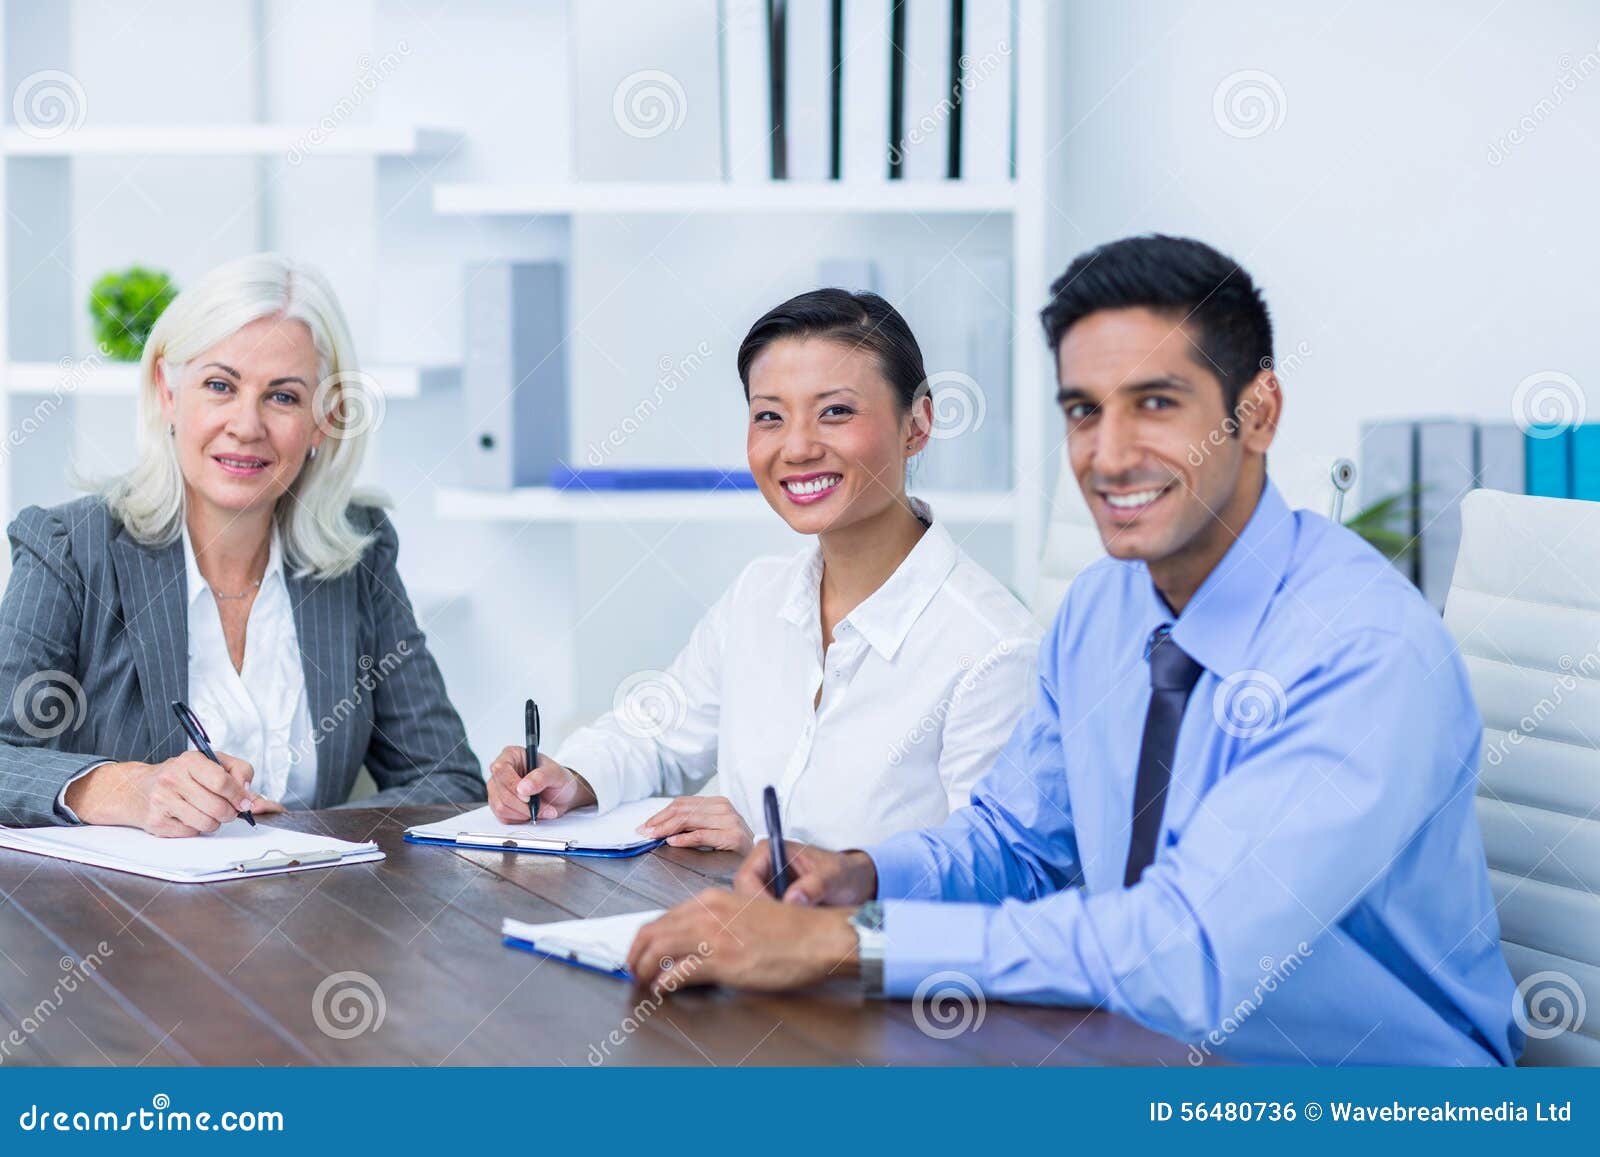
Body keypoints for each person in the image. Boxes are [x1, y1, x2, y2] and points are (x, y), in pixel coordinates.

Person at [621, 236, 1522, 1067]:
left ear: (1257, 412)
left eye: (1156, 403)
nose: (1110, 453)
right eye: (1085, 411)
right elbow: (1017, 841)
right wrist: (861, 873)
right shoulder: (1103, 608)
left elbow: (1192, 951)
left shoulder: (1364, 650)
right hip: (1135, 1054)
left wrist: (845, 942)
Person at [485, 289, 1038, 852]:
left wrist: (769, 853)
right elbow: (656, 738)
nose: (796, 448)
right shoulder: (760, 593)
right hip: (724, 909)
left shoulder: (993, 647)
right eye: (769, 416)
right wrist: (569, 778)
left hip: (833, 918)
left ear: (916, 424)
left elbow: (989, 872)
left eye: (835, 412)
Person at [0, 253, 485, 832]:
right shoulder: (70, 549)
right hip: (112, 895)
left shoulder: (360, 552)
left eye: (283, 397)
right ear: (167, 391)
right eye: (219, 386)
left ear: (324, 418)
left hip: (310, 891)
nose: (246, 425)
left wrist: (300, 832)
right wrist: (126, 790)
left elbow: (447, 781)